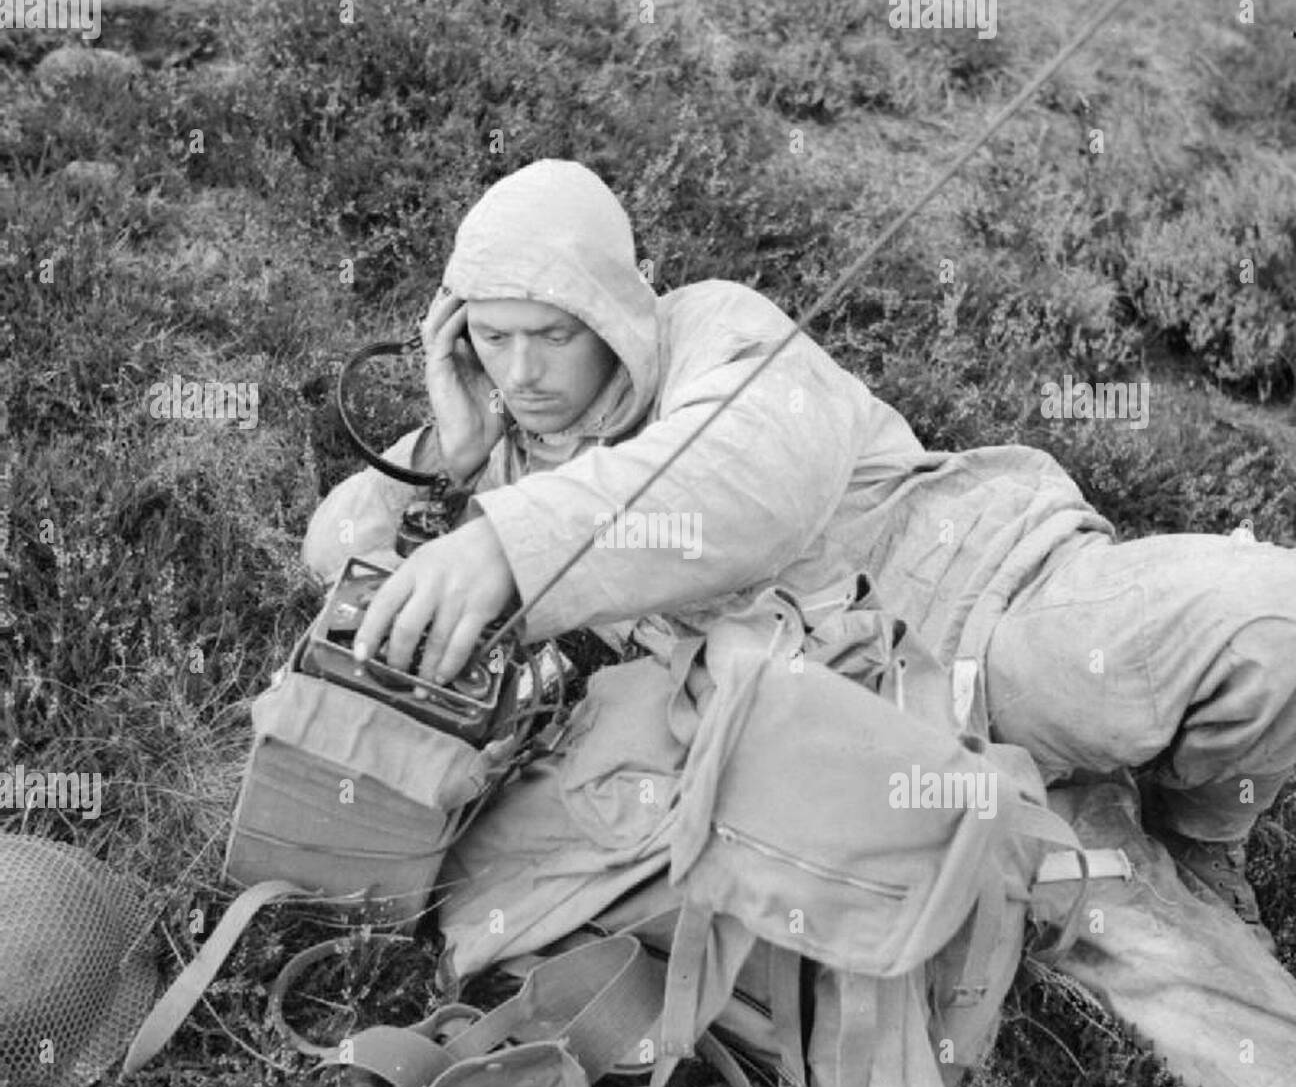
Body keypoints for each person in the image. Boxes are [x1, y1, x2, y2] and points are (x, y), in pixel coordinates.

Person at [303, 158, 1296, 953]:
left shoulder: (716, 328)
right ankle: (1114, 843)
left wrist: (508, 547)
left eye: (555, 333)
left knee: (1272, 625)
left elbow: (752, 480)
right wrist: (448, 455)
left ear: (616, 310)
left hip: (981, 615)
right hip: (865, 753)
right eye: (493, 335)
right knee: (1162, 971)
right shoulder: (490, 453)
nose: (523, 373)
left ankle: (1206, 835)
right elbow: (334, 548)